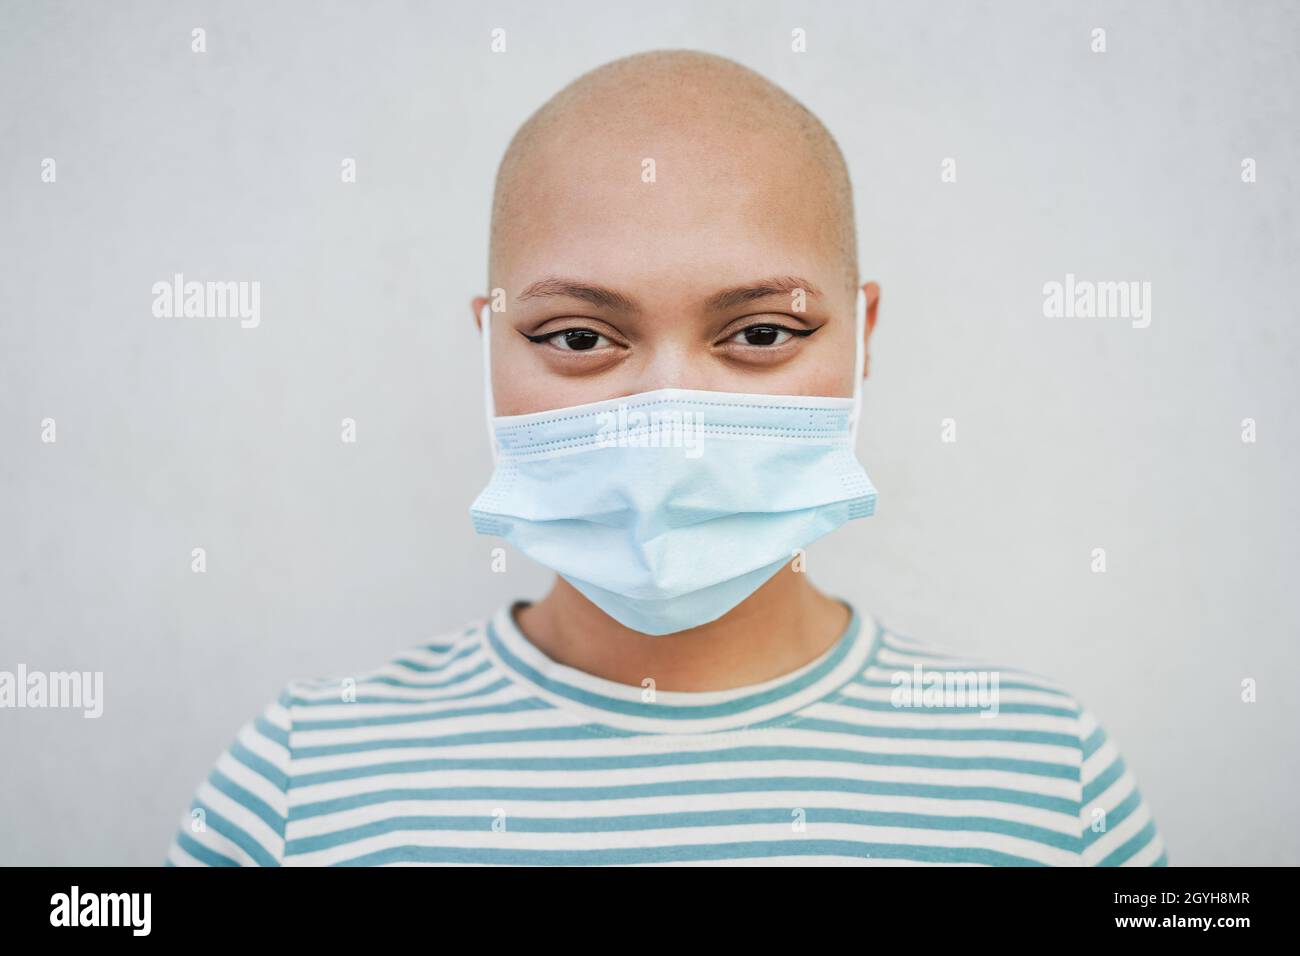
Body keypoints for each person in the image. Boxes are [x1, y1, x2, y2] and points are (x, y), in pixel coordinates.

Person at [165, 50, 1165, 866]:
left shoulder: (1042, 776)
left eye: (763, 334)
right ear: (490, 344)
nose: (666, 425)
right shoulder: (306, 777)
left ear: (860, 337)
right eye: (578, 337)